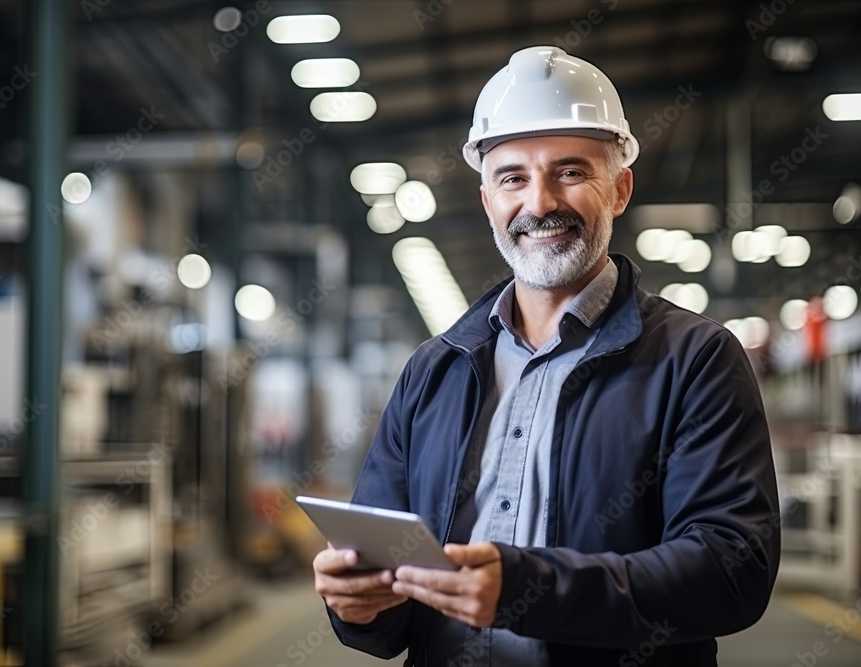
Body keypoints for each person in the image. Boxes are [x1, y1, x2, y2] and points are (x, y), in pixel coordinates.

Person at [313, 46, 780, 666]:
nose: (539, 203)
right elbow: (389, 587)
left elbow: (730, 570)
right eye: (512, 177)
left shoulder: (694, 359)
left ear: (619, 190)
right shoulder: (435, 370)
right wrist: (357, 605)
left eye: (570, 171)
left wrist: (530, 590)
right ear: (487, 203)